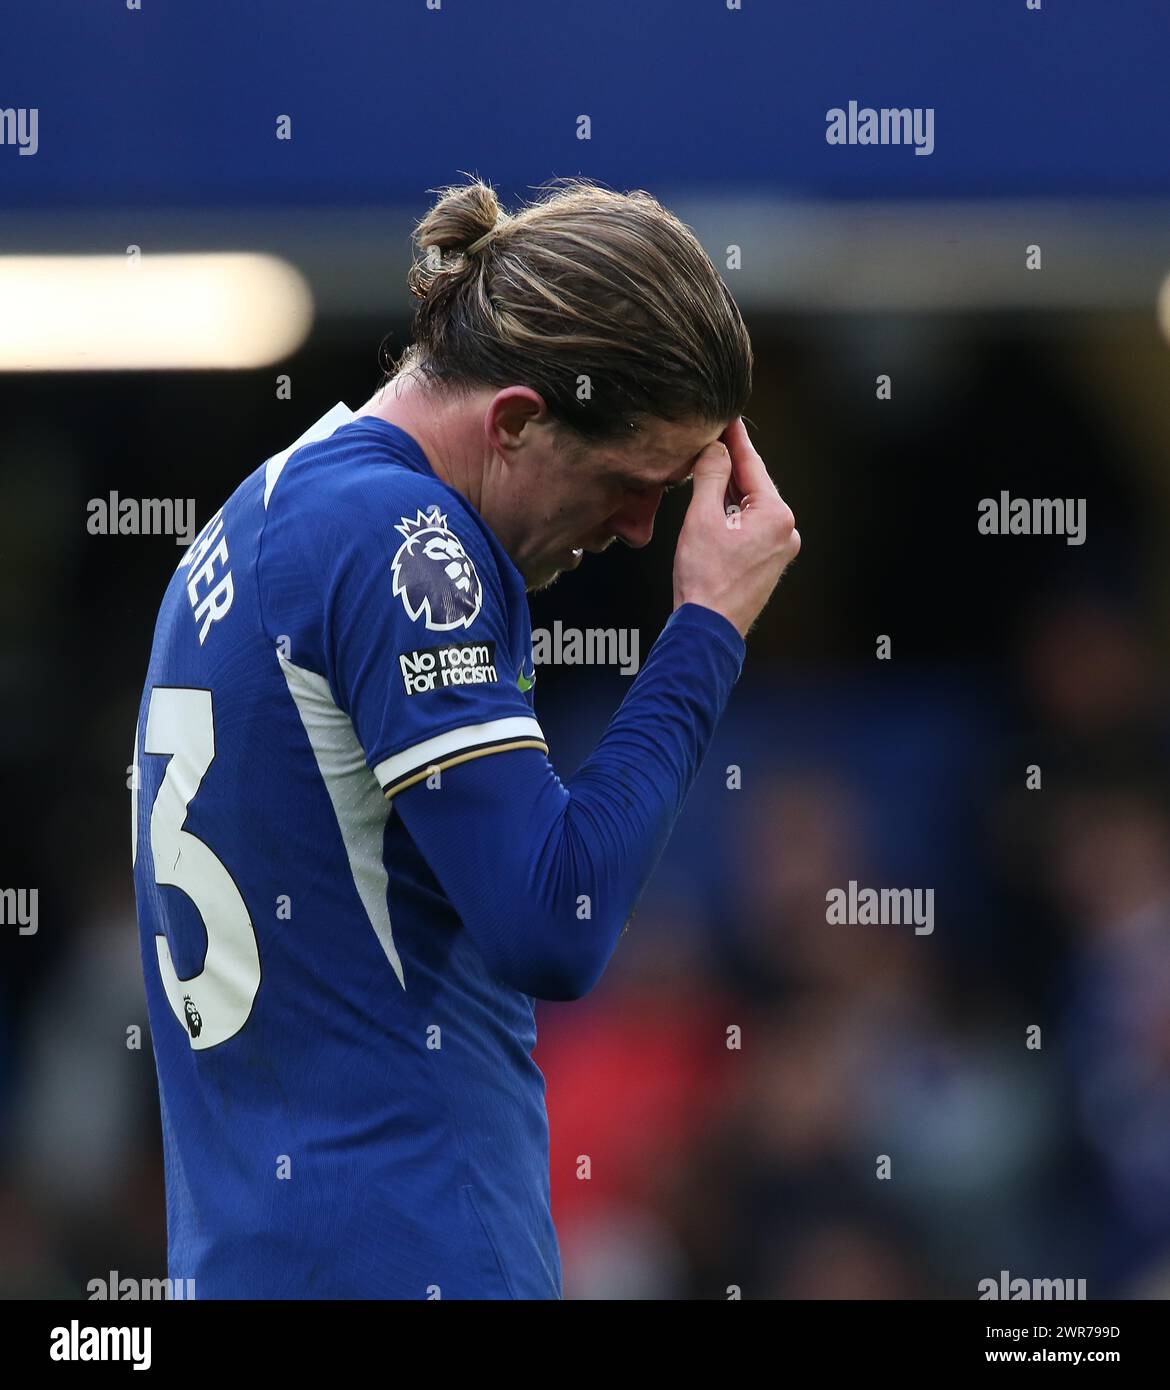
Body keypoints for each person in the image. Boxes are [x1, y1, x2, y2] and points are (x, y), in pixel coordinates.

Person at [131, 177, 800, 1298]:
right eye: (631, 486)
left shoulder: (265, 512)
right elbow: (554, 919)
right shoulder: (406, 543)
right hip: (407, 1248)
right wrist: (705, 631)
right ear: (517, 420)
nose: (642, 531)